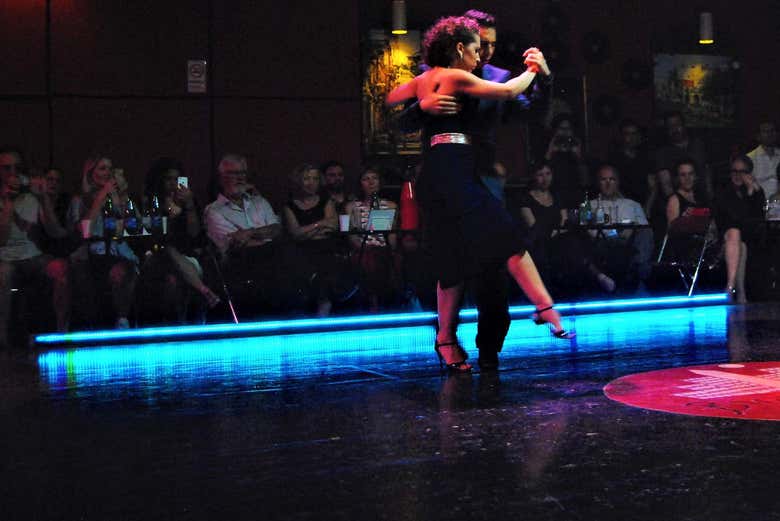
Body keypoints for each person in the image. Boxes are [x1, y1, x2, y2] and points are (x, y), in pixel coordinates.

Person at [387, 15, 572, 375]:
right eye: (480, 44)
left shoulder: (498, 77)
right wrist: (421, 107)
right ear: (464, 43)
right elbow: (396, 117)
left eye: (490, 44)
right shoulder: (437, 72)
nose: (486, 52)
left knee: (495, 271)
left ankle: (490, 352)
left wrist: (544, 77)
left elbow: (532, 112)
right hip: (445, 178)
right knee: (450, 264)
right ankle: (447, 339)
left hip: (480, 180)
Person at [0, 148, 70, 346]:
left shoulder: (31, 196)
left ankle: (59, 334)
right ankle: (3, 340)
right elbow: (2, 240)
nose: (13, 173)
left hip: (32, 256)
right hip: (5, 258)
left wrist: (44, 198)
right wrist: (8, 203)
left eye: (17, 168)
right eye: (6, 168)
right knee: (3, 274)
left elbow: (56, 232)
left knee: (60, 269)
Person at [140, 158, 221, 322]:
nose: (172, 183)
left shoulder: (188, 203)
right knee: (166, 249)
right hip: (155, 255)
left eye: (176, 179)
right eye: (168, 179)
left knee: (173, 279)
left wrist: (189, 205)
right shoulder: (151, 202)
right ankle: (204, 290)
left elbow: (194, 234)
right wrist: (169, 216)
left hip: (185, 257)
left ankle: (180, 324)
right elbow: (155, 237)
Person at [67, 155, 139, 329]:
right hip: (90, 253)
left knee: (121, 272)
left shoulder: (118, 197)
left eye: (110, 168)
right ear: (91, 172)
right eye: (102, 168)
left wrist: (122, 198)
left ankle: (122, 321)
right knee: (83, 275)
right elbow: (85, 232)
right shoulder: (79, 200)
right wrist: (101, 196)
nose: (107, 172)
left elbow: (134, 227)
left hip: (116, 251)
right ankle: (89, 327)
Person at [282, 163, 344, 316]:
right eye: (307, 178)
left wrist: (307, 230)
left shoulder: (326, 201)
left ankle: (324, 306)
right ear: (299, 181)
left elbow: (333, 226)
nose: (311, 183)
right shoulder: (289, 206)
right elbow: (295, 233)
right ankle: (320, 307)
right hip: (302, 250)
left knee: (327, 262)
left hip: (327, 246)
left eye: (315, 178)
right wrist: (319, 224)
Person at [343, 167, 401, 312]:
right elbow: (349, 235)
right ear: (360, 184)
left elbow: (390, 236)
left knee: (386, 259)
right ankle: (373, 304)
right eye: (366, 179)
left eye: (374, 178)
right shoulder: (350, 207)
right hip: (361, 250)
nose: (371, 182)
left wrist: (388, 248)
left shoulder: (391, 205)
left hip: (383, 249)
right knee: (368, 258)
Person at [714, 155, 765, 303]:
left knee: (741, 246)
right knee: (735, 233)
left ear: (749, 174)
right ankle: (735, 290)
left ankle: (734, 290)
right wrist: (749, 193)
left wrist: (751, 193)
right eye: (734, 171)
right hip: (724, 239)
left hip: (747, 241)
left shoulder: (756, 192)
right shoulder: (723, 190)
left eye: (742, 171)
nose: (738, 175)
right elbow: (734, 219)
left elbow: (757, 221)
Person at [746, 121, 778, 198]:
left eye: (772, 130)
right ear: (758, 136)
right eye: (765, 131)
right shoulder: (750, 158)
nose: (770, 134)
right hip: (760, 204)